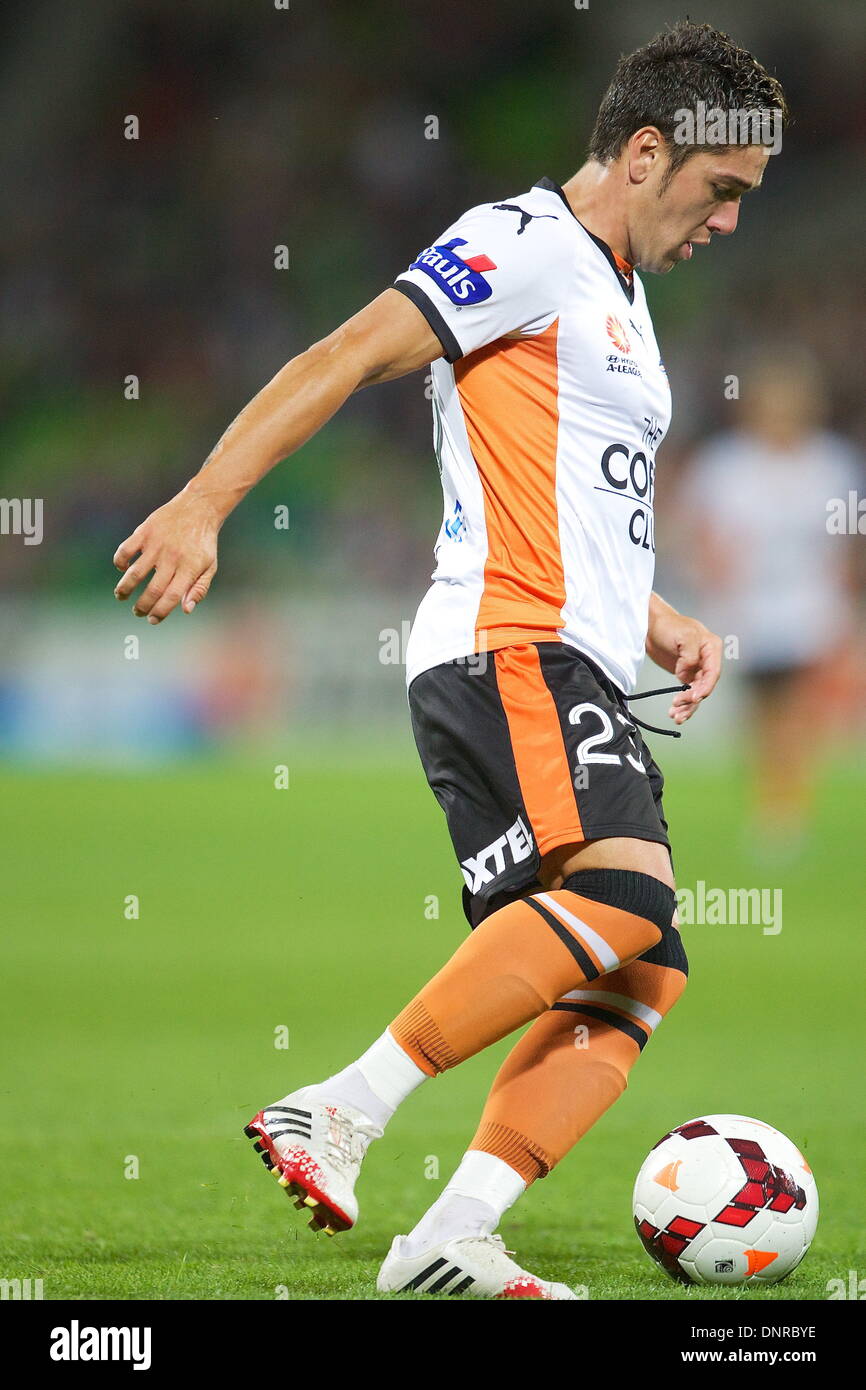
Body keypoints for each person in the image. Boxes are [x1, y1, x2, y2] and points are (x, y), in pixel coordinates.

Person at [112, 22, 786, 1298]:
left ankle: (448, 1236)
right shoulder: (525, 244)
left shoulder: (621, 301)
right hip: (505, 642)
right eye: (721, 191)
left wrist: (658, 616)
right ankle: (343, 1107)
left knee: (641, 972)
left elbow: (573, 503)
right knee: (630, 894)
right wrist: (204, 499)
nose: (729, 224)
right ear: (646, 154)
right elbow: (347, 353)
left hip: (571, 649)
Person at [683, 349, 863, 853]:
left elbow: (845, 539)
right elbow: (707, 535)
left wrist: (844, 604)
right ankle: (771, 804)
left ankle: (788, 812)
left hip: (809, 606)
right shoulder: (727, 465)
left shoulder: (830, 463)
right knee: (761, 713)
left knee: (799, 711)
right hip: (750, 611)